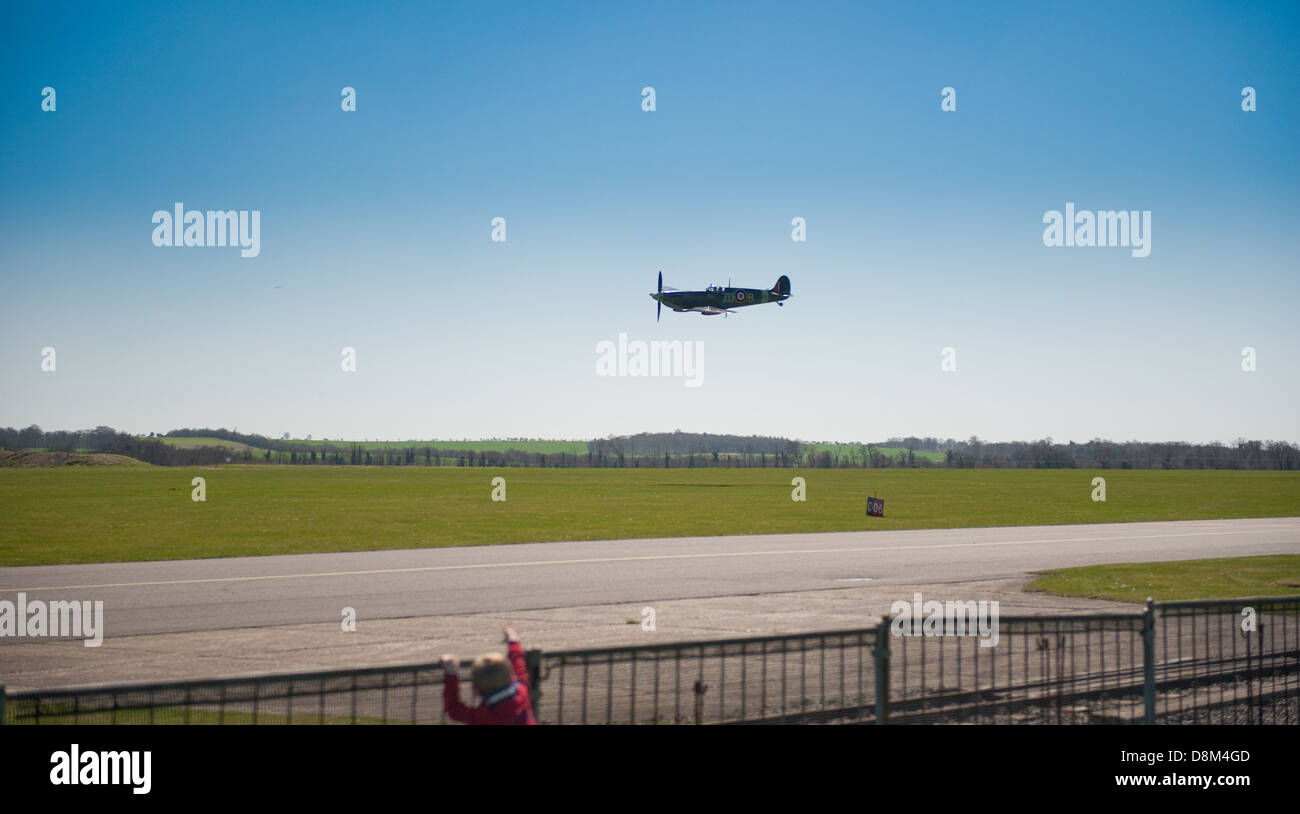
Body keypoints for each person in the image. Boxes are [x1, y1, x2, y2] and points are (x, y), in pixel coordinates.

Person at [441, 622, 537, 725]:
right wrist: (513, 640)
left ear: (476, 689)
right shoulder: (521, 692)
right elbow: (519, 667)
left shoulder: (484, 716)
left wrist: (451, 674)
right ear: (511, 678)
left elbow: (455, 710)